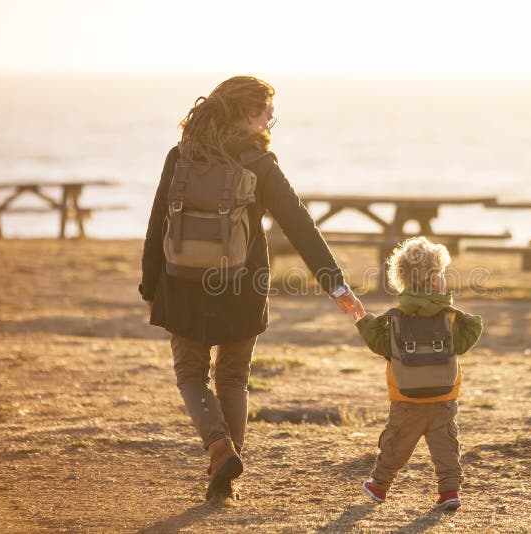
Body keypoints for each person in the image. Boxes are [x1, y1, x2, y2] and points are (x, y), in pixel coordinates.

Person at [139, 76, 365, 501]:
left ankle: (218, 446)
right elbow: (299, 225)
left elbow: (157, 224)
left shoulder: (181, 155)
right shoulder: (259, 164)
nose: (269, 120)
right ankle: (224, 480)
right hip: (242, 284)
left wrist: (150, 285)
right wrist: (336, 286)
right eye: (266, 113)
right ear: (247, 114)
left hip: (182, 282)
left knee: (190, 374)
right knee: (233, 378)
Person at [355, 236, 483, 511]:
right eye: (442, 275)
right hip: (444, 398)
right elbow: (463, 343)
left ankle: (379, 487)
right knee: (446, 447)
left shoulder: (395, 318)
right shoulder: (450, 317)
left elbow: (380, 345)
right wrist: (472, 321)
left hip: (405, 399)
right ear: (436, 280)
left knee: (396, 445)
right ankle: (449, 491)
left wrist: (365, 324)